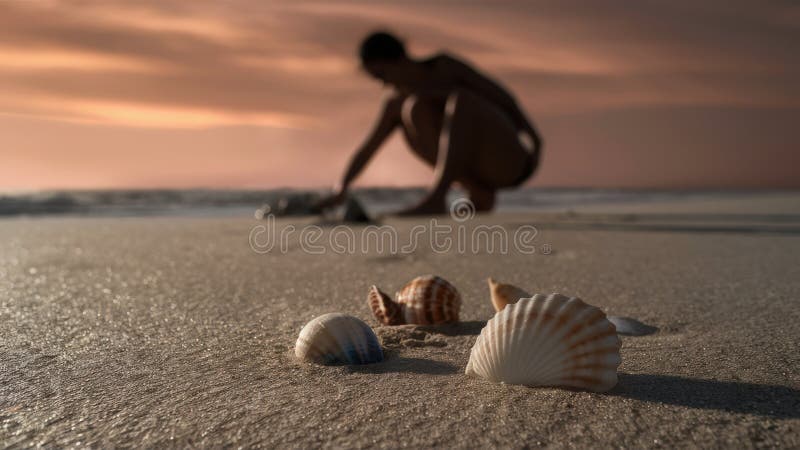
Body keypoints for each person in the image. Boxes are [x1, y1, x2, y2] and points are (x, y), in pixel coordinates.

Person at [318, 31, 542, 215]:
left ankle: (437, 198)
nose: (384, 83)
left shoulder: (444, 67)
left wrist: (534, 138)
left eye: (382, 74)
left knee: (460, 101)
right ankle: (477, 191)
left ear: (398, 59)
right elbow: (368, 148)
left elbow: (502, 97)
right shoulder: (396, 104)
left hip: (507, 160)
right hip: (477, 172)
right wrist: (342, 188)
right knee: (414, 109)